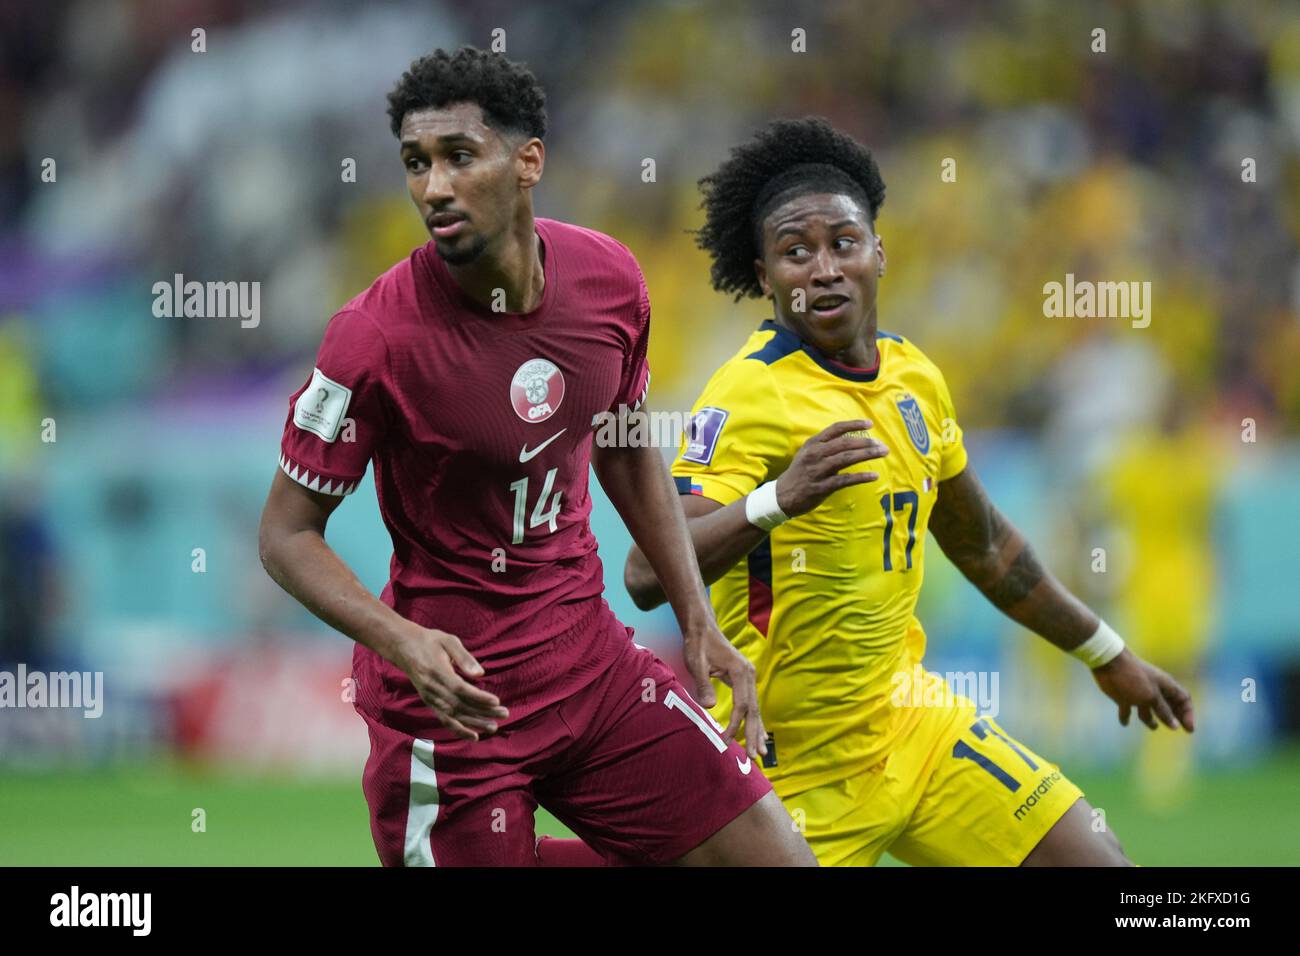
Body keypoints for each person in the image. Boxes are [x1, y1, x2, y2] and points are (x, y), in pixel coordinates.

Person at [257, 47, 813, 867]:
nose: (434, 188)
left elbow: (626, 451)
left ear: (528, 161)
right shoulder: (372, 339)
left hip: (591, 668)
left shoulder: (611, 279)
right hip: (453, 707)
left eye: (458, 156)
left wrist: (697, 620)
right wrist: (403, 641)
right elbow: (285, 535)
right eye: (416, 163)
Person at [624, 116, 1196, 866]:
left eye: (843, 243)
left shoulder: (916, 378)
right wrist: (777, 500)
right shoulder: (749, 393)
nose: (823, 268)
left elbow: (985, 546)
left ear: (879, 252)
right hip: (791, 761)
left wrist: (1105, 652)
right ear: (764, 277)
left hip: (914, 724)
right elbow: (643, 573)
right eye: (795, 252)